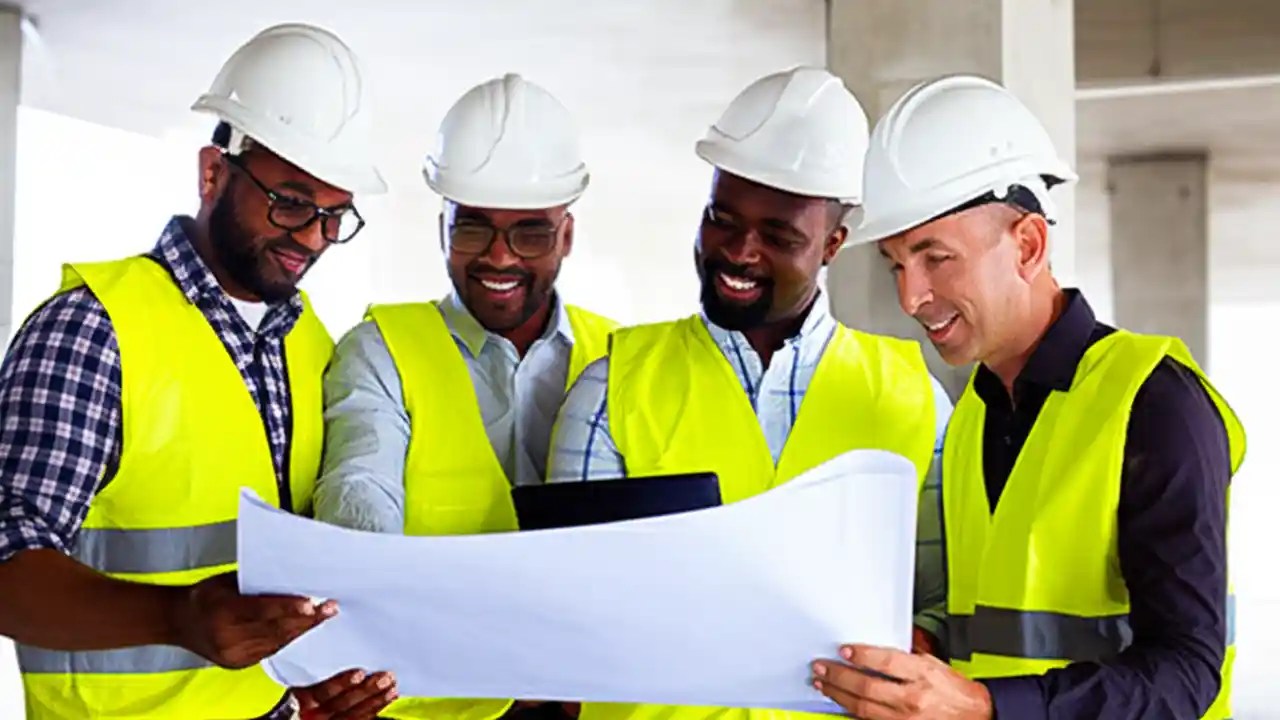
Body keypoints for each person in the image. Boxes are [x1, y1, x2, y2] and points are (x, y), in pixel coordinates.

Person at [811, 74, 1244, 720]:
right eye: (898, 265)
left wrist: (987, 707)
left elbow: (1186, 670)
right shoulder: (972, 418)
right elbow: (1002, 630)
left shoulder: (1153, 404)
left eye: (936, 258)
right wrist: (928, 647)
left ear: (1029, 245)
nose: (911, 298)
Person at [0, 23, 400, 720]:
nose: (311, 237)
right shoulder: (95, 330)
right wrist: (175, 616)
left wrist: (313, 679)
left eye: (335, 217)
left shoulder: (311, 348)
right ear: (213, 173)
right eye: (291, 200)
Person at [546, 66, 953, 720]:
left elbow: (942, 600)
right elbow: (564, 608)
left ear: (833, 244)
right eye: (721, 219)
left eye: (779, 236)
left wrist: (922, 639)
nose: (738, 251)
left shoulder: (912, 397)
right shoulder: (610, 389)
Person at [314, 73, 617, 720]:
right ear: (442, 227)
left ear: (565, 236)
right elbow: (358, 494)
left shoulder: (620, 357)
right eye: (473, 229)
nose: (498, 258)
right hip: (426, 697)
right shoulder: (381, 348)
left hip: (584, 698)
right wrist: (362, 606)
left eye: (530, 233)